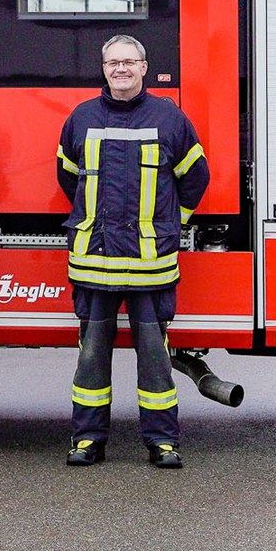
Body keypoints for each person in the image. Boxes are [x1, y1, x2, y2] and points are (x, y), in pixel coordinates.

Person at [58, 34, 209, 469]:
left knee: (156, 361)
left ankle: (162, 442)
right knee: (91, 358)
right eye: (113, 63)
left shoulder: (169, 118)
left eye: (129, 62)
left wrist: (169, 224)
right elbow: (69, 177)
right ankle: (87, 440)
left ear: (144, 67)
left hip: (149, 265)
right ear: (103, 69)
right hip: (94, 263)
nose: (120, 69)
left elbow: (196, 178)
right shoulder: (81, 119)